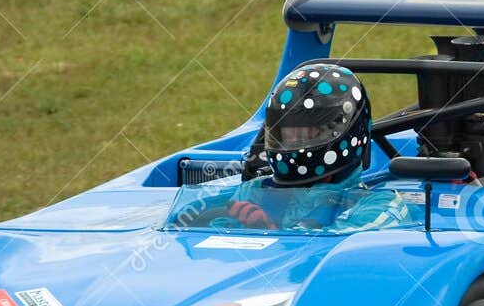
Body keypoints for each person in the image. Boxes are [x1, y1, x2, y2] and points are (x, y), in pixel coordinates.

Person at [170, 64, 415, 233]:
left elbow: (330, 255)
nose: (293, 144)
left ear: (347, 133)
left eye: (307, 134)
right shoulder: (255, 191)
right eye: (287, 134)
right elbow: (181, 221)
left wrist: (267, 230)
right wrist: (228, 220)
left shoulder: (380, 207)